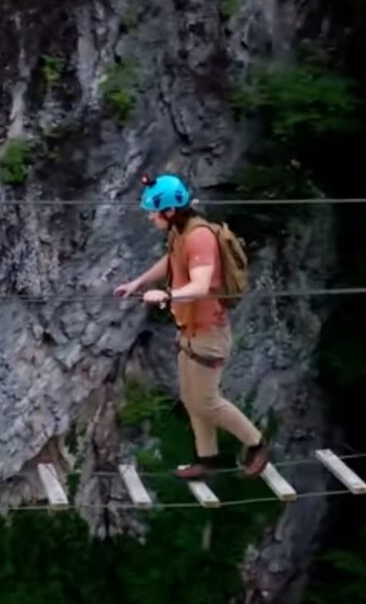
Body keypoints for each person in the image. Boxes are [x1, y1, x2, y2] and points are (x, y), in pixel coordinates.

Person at [115, 173, 271, 479]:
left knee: (208, 402)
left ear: (170, 211)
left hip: (208, 333)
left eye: (153, 212)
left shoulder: (199, 237)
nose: (150, 217)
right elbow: (172, 262)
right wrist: (138, 282)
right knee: (191, 399)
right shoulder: (179, 232)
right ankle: (206, 459)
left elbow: (201, 286)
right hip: (189, 330)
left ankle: (257, 444)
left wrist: (167, 294)